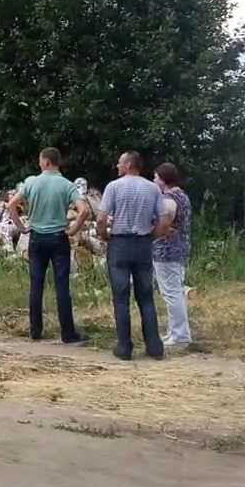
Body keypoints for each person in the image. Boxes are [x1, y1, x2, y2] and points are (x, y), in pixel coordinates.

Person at [7, 147, 88, 344]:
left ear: (46, 162)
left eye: (40, 160)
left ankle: (35, 330)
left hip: (36, 238)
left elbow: (11, 205)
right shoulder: (67, 185)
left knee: (36, 284)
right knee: (62, 286)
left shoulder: (31, 182)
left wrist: (22, 227)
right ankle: (67, 333)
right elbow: (84, 210)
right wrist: (73, 229)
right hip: (58, 238)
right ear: (57, 162)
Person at [96, 151, 164, 361]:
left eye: (119, 163)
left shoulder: (114, 187)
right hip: (143, 243)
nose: (117, 166)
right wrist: (152, 236)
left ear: (127, 164)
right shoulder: (152, 188)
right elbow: (164, 219)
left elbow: (101, 218)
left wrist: (105, 236)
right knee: (146, 298)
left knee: (121, 297)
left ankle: (125, 347)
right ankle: (154, 346)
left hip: (120, 243)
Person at [153, 162, 193, 347]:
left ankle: (179, 334)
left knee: (171, 292)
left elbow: (166, 219)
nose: (154, 181)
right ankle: (175, 332)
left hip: (167, 250)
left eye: (155, 177)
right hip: (179, 247)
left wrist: (155, 230)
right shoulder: (182, 195)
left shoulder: (169, 197)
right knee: (176, 290)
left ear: (162, 179)